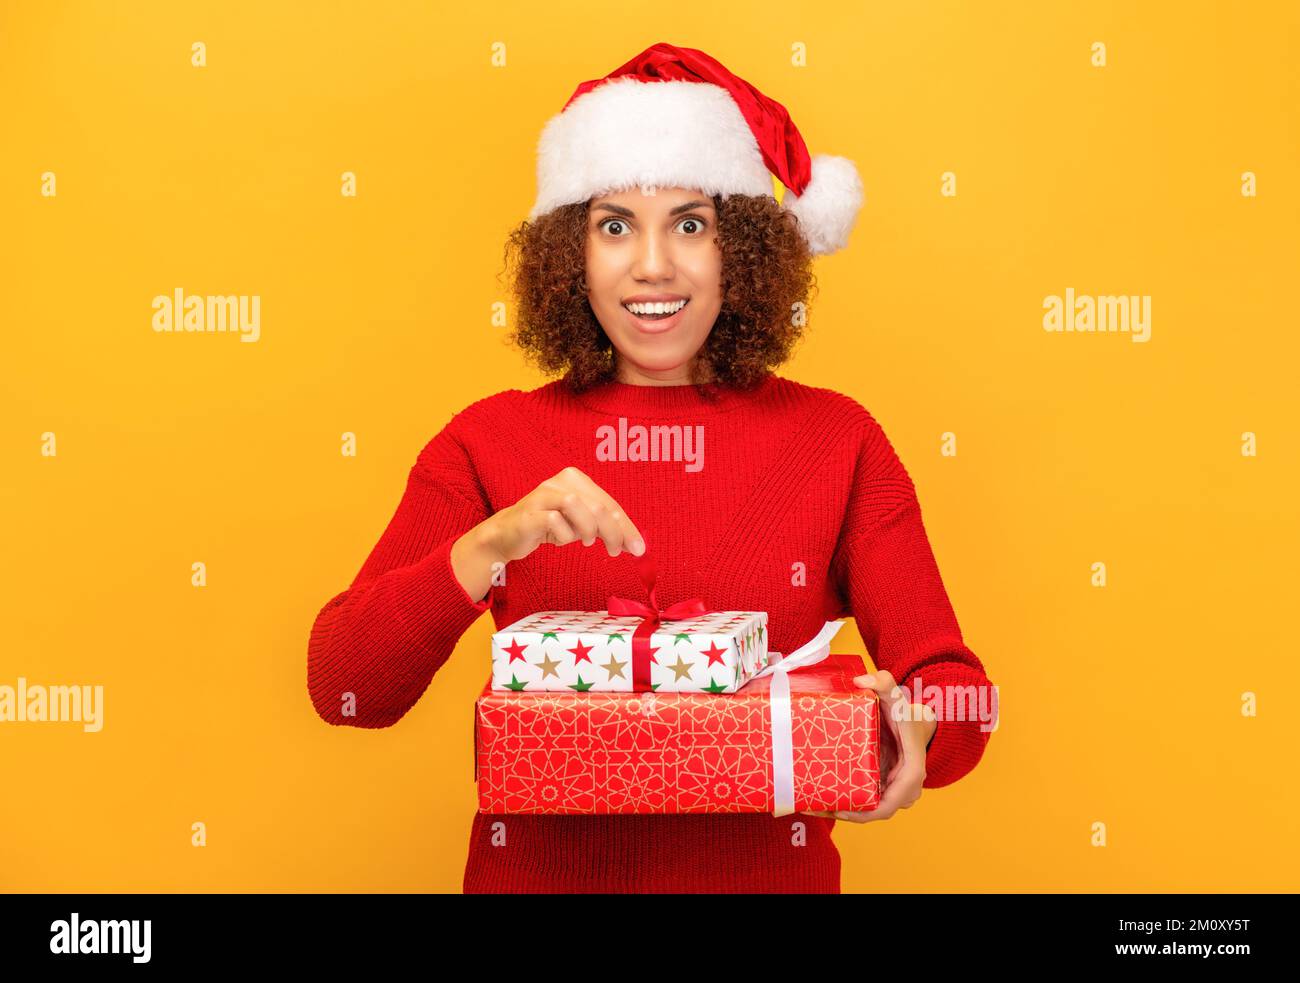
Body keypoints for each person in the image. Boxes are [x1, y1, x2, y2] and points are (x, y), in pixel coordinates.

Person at [307, 42, 995, 893]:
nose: (653, 266)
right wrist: (485, 548)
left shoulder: (837, 440)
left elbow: (964, 693)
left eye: (691, 224)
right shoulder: (487, 443)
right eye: (614, 225)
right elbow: (342, 683)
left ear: (740, 249)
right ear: (571, 253)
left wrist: (920, 724)